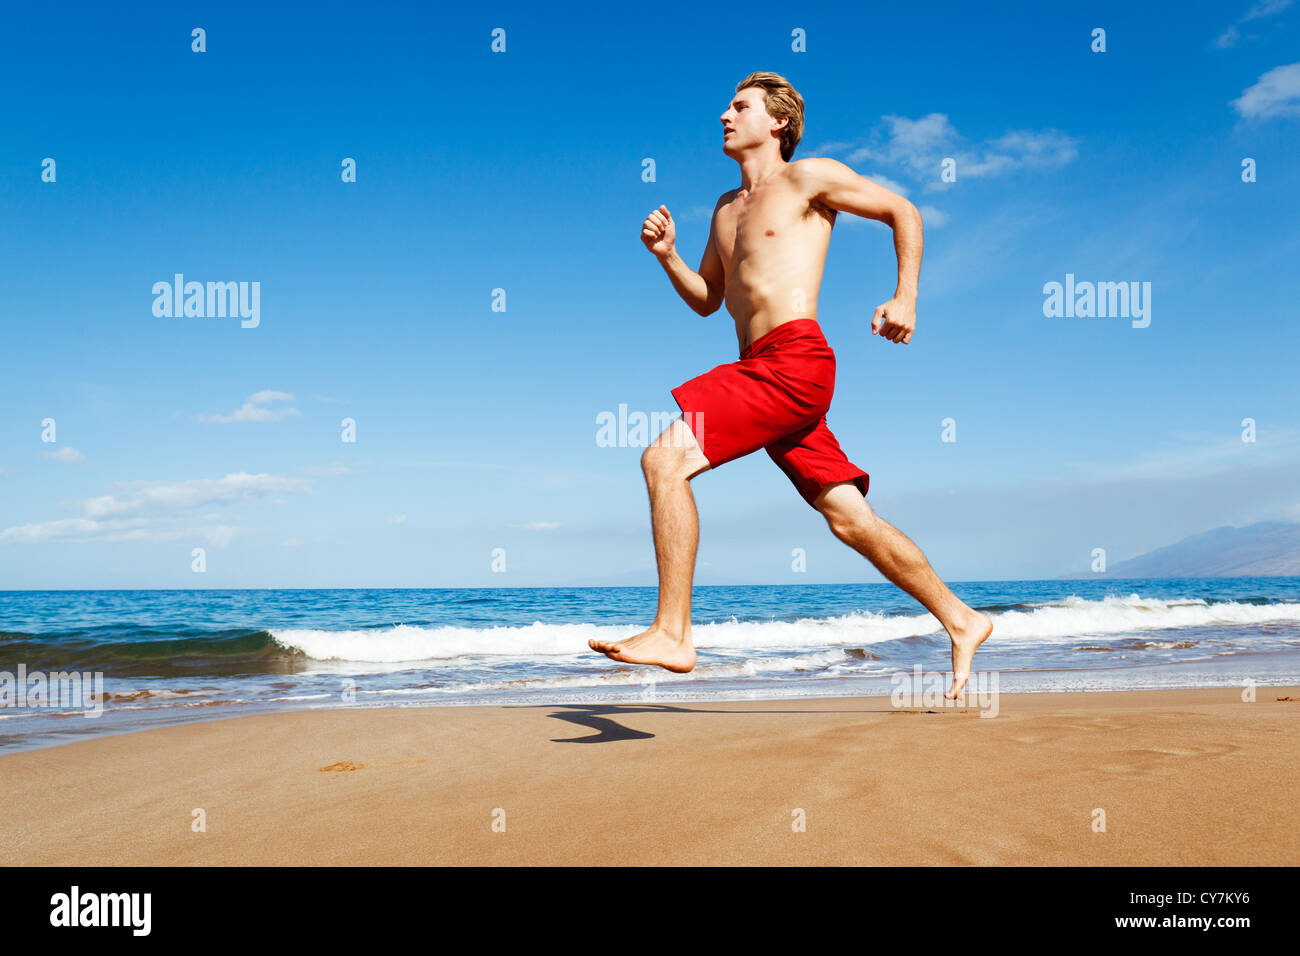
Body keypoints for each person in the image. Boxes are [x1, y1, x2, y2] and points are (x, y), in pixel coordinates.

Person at [589, 71, 992, 698]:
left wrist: (905, 297)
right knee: (849, 519)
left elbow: (901, 210)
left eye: (739, 106)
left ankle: (674, 630)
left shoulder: (808, 178)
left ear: (777, 122)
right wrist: (668, 256)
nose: (724, 115)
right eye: (725, 105)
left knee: (662, 459)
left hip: (794, 361)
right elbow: (709, 299)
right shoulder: (723, 209)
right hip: (762, 371)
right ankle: (962, 619)